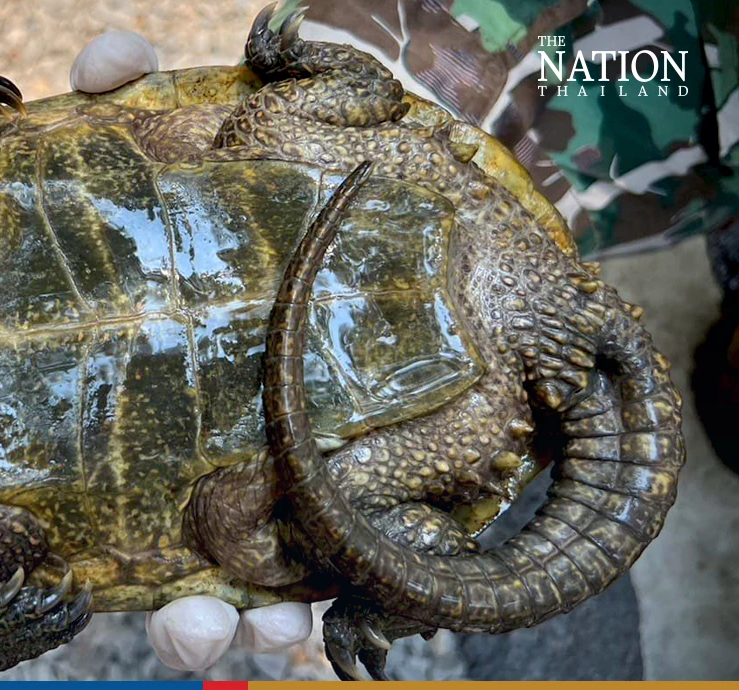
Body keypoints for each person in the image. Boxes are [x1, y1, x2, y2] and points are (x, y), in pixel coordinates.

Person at [67, 0, 738, 674]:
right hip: (502, 201)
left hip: (473, 244)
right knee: (255, 518)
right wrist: (390, 53)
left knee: (248, 518)